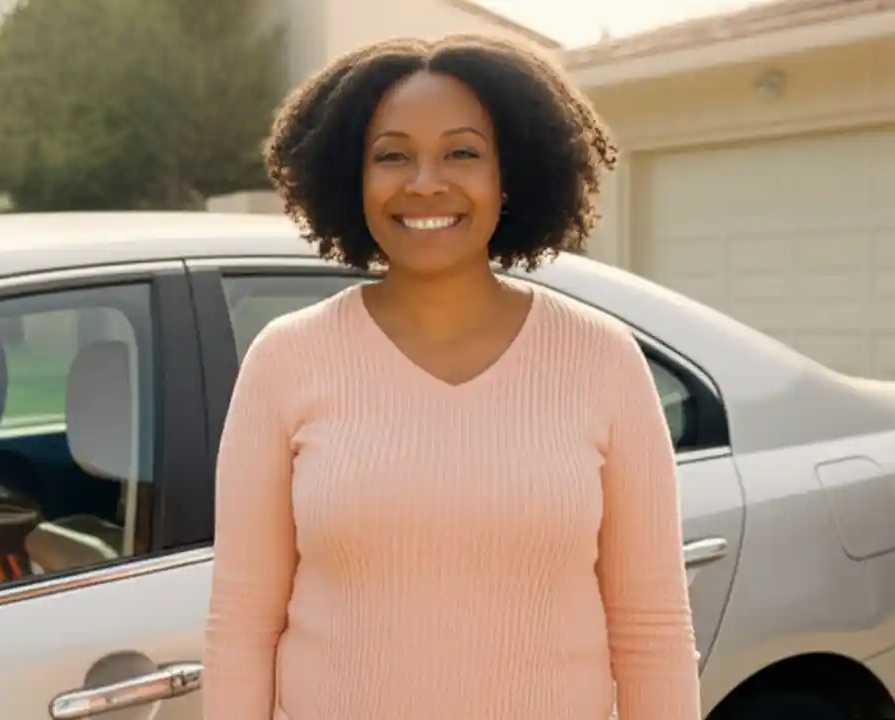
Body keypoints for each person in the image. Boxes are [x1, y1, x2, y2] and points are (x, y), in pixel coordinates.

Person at [203, 33, 700, 720]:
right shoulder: (286, 360)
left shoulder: (603, 361)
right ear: (353, 177)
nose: (424, 182)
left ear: (511, 175)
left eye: (462, 152)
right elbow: (242, 624)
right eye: (392, 155)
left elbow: (650, 633)